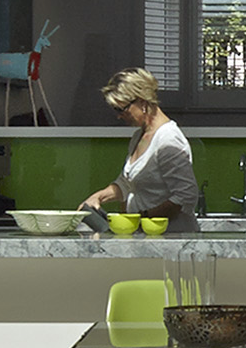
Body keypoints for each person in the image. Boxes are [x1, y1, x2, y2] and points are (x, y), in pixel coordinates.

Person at [83, 69, 200, 232]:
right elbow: (127, 184)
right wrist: (98, 197)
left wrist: (141, 218)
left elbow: (186, 196)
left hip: (172, 239)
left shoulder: (168, 140)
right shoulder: (140, 135)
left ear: (142, 102)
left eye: (121, 109)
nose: (119, 116)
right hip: (147, 238)